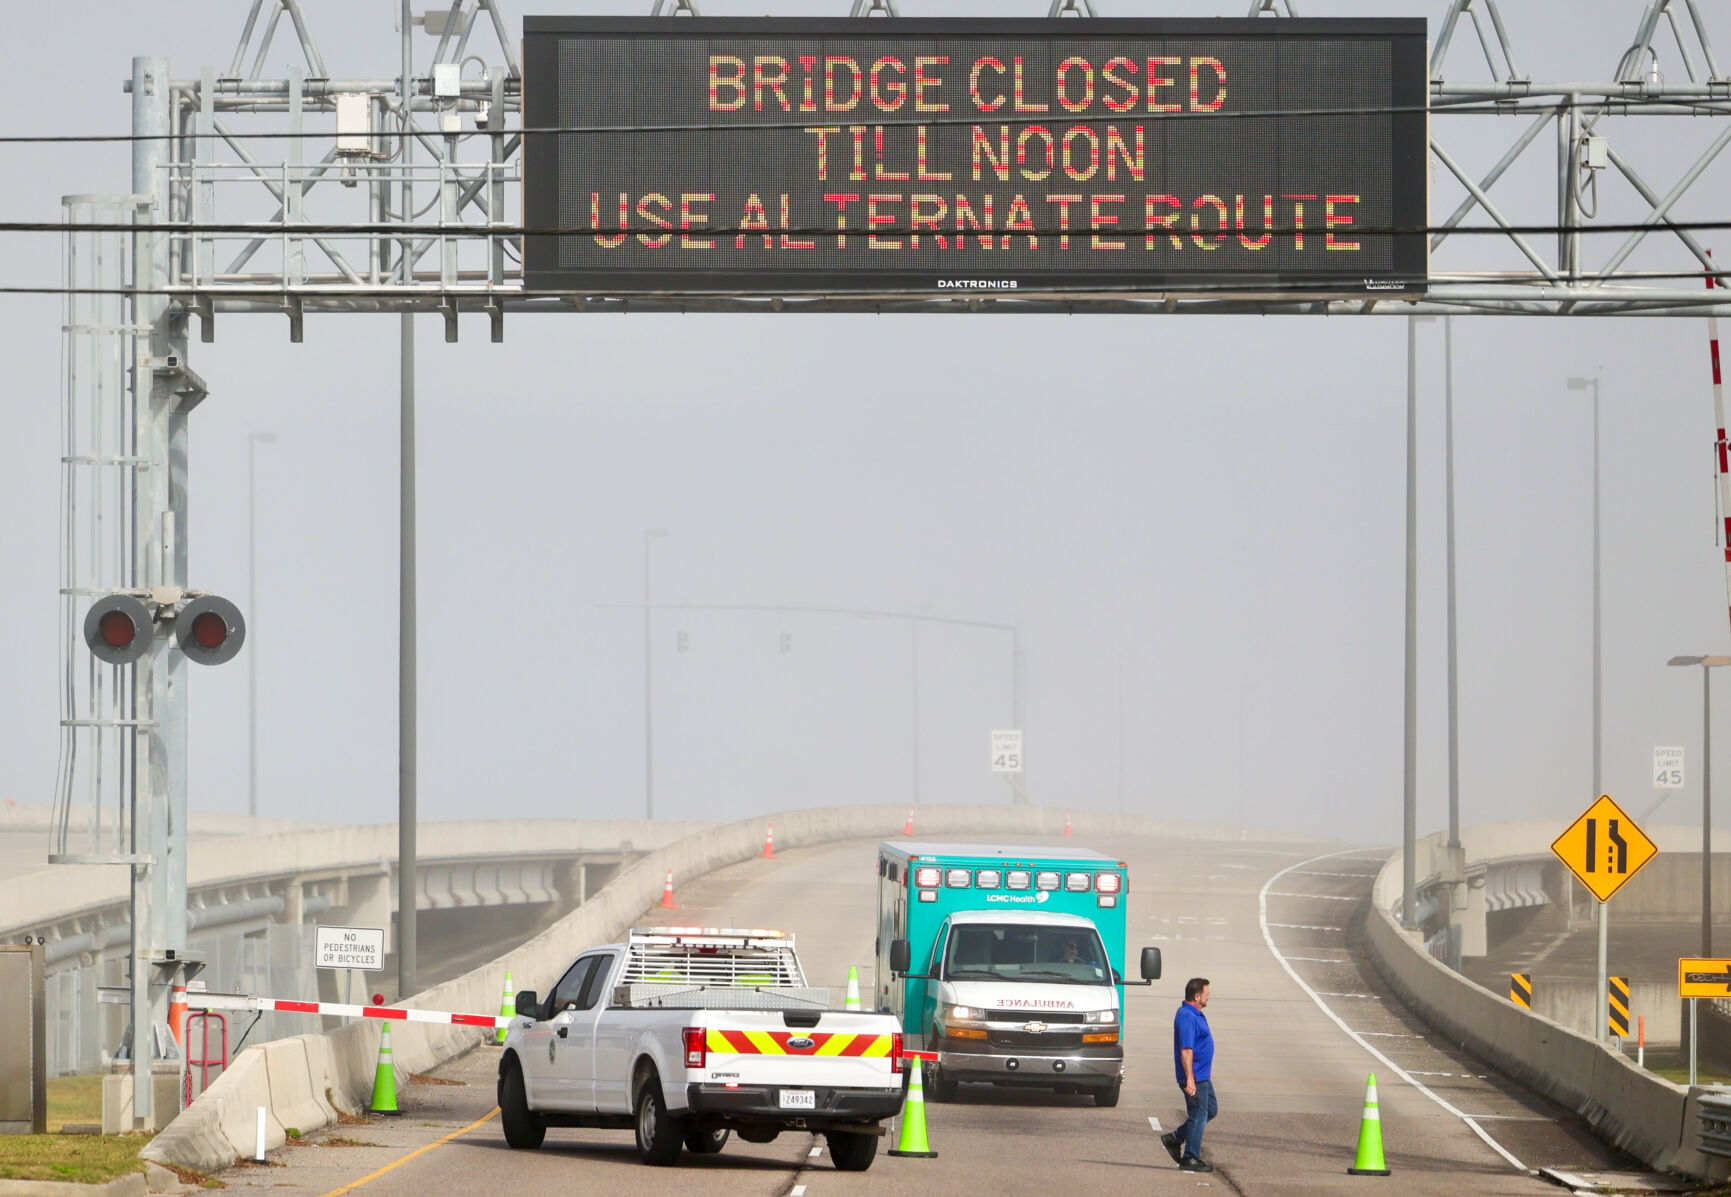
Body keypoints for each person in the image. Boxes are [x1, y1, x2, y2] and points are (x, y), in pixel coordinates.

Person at [1160, 978, 1216, 1173]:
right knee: (1198, 1115)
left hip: (1202, 1075)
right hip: (1194, 1076)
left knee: (1210, 1109)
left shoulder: (1197, 1014)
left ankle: (1174, 1138)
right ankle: (1190, 1157)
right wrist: (1190, 1079)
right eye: (1207, 993)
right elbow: (1186, 1050)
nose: (1209, 996)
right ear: (1197, 996)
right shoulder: (1186, 1016)